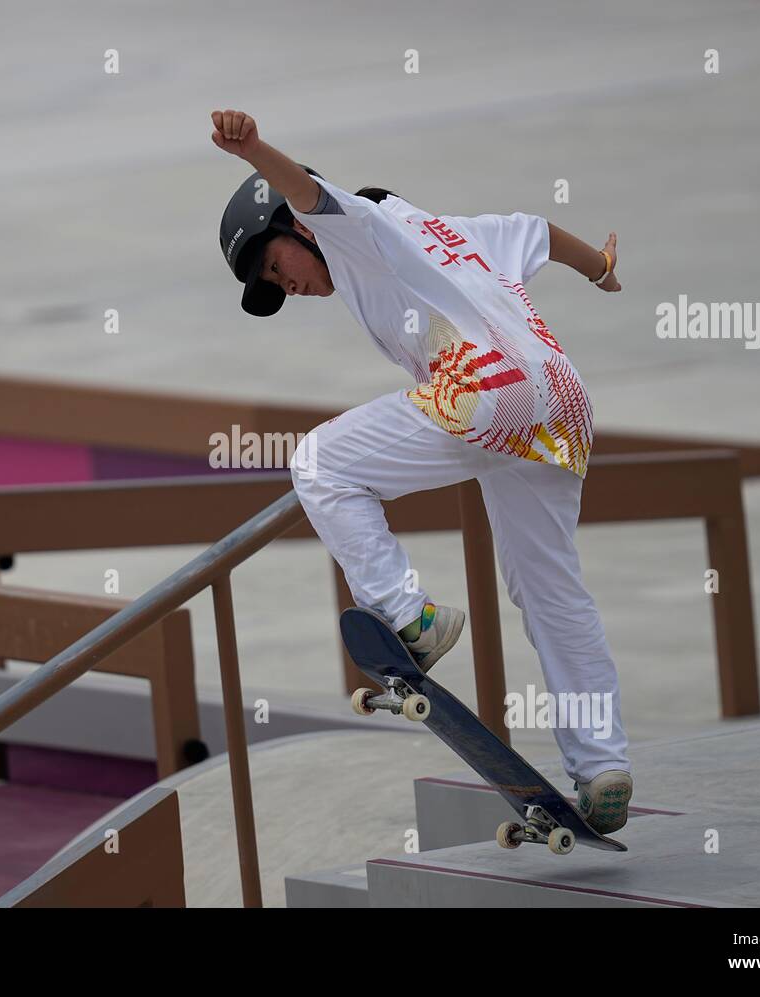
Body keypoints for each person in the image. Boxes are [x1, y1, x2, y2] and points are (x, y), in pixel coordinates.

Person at [213, 109, 632, 832]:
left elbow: (307, 190)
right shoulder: (449, 231)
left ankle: (412, 616)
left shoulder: (352, 227)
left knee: (319, 462)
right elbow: (538, 230)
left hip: (485, 394)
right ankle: (602, 764)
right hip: (560, 397)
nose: (293, 289)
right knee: (550, 585)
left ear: (298, 229)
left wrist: (253, 151)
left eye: (279, 268)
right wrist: (601, 267)